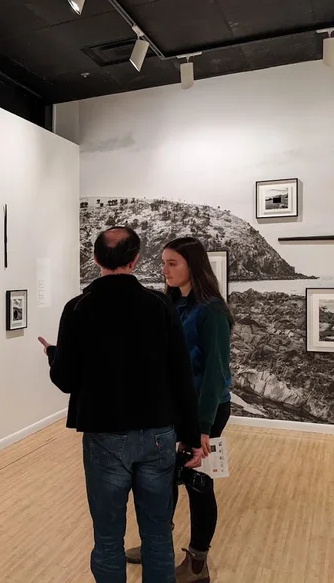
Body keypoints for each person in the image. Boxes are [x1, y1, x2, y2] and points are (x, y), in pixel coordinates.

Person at [38, 226, 204, 583]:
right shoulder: (160, 305)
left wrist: (54, 354)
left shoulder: (78, 308)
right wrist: (191, 434)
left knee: (108, 538)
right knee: (158, 537)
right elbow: (181, 375)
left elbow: (66, 379)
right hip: (159, 433)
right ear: (135, 259)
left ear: (96, 259)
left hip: (105, 435)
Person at [126, 237, 234, 582]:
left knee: (199, 482)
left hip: (205, 411)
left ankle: (198, 563)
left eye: (173, 263)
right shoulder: (171, 304)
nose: (165, 270)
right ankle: (157, 544)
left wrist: (201, 428)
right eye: (163, 263)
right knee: (163, 479)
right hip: (172, 408)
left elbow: (216, 373)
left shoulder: (211, 311)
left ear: (193, 266)